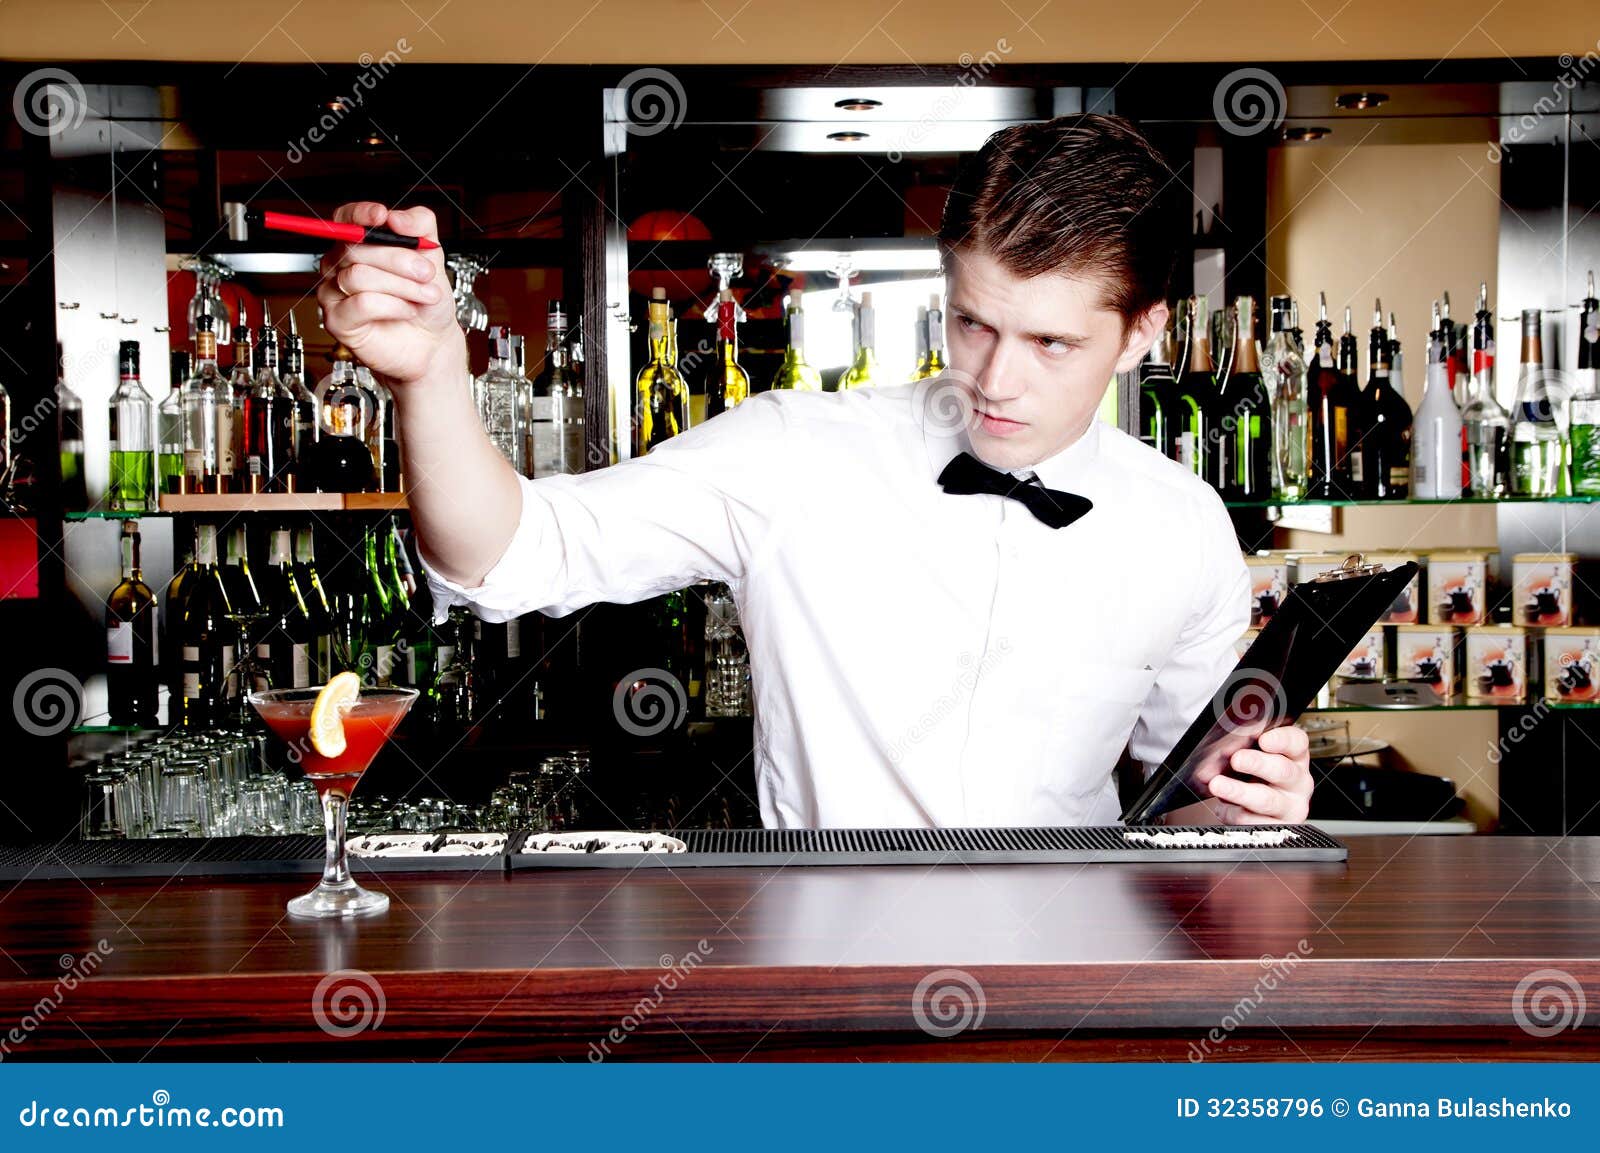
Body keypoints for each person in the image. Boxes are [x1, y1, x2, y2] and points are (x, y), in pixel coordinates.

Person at [315, 113, 1312, 829]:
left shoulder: (1181, 526)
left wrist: (1247, 806)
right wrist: (431, 374)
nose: (996, 379)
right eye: (972, 323)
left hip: (1069, 997)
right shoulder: (794, 451)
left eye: (1050, 343)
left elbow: (1189, 808)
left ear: (1143, 332)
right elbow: (509, 557)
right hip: (824, 987)